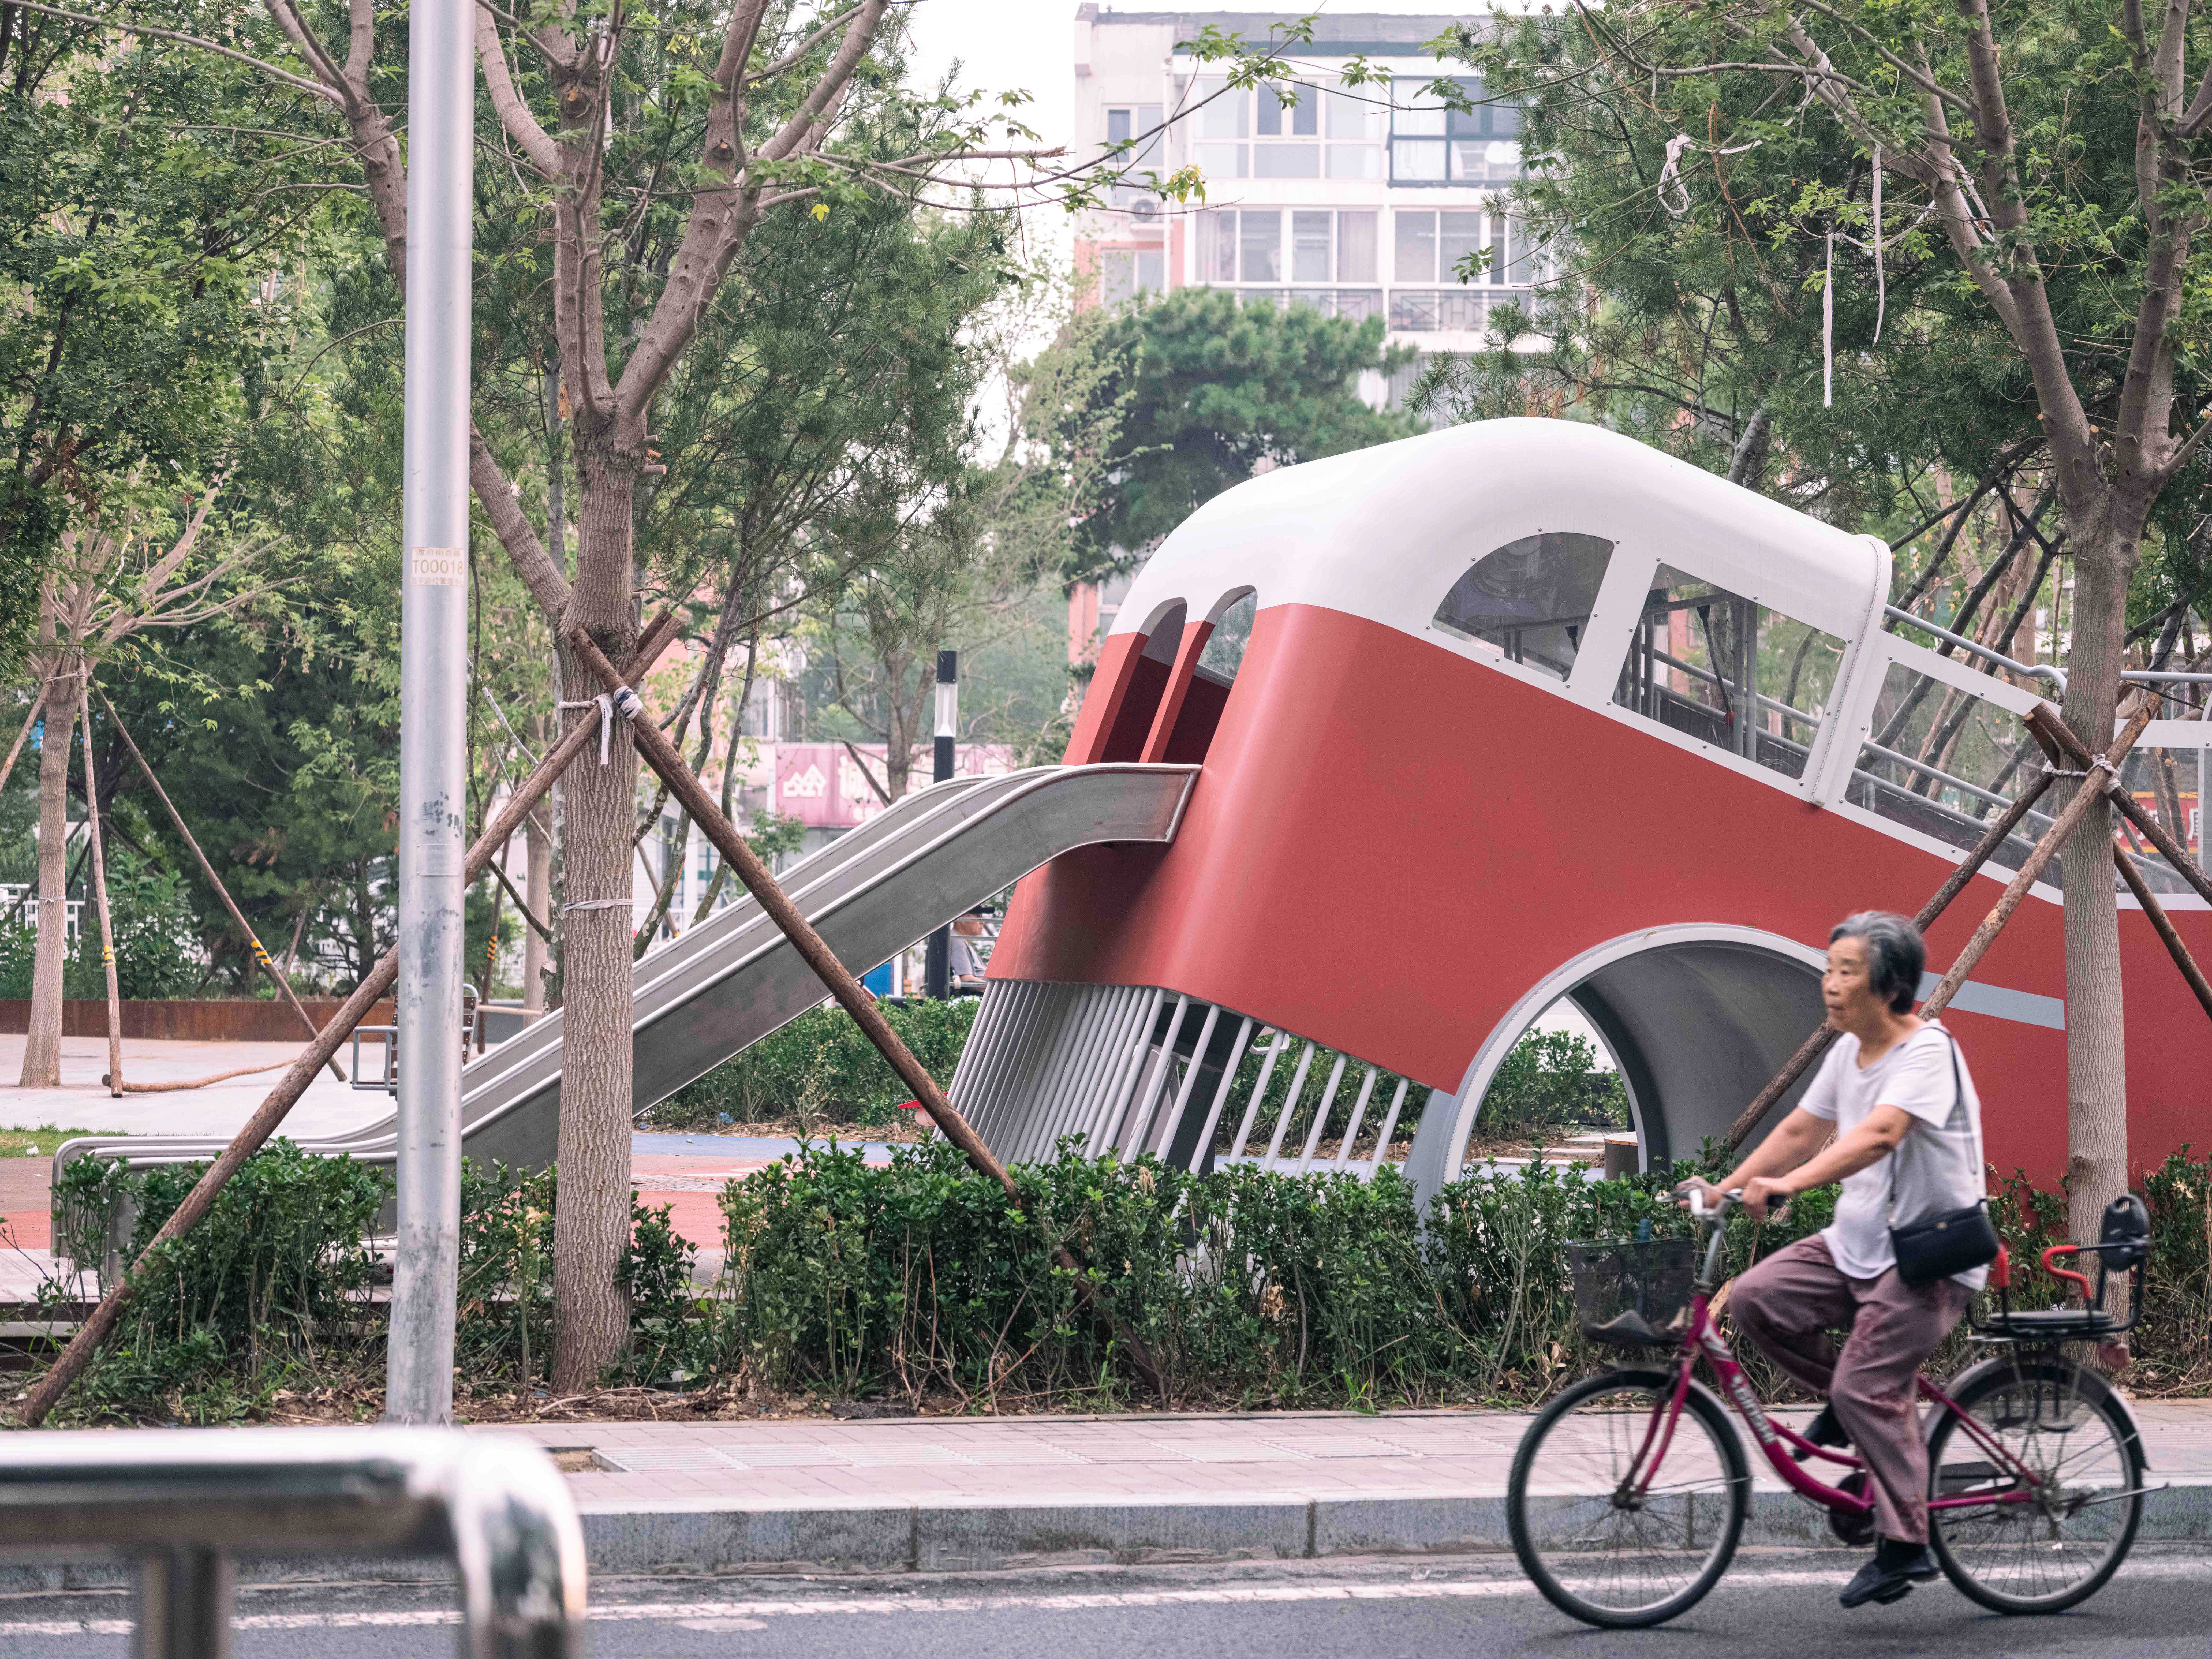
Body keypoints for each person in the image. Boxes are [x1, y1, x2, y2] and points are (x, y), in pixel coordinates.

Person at [1678, 910, 1987, 1610]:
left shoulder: (1927, 1054)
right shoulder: (1847, 1050)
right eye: (1830, 969)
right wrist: (1725, 1188)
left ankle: (1906, 1544)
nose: (1831, 984)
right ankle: (1860, 1406)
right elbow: (1801, 1127)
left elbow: (1881, 1134)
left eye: (1848, 972)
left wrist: (1791, 1184)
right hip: (1858, 1244)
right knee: (1757, 1302)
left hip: (1928, 1254)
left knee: (1859, 1387)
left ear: (1891, 986)